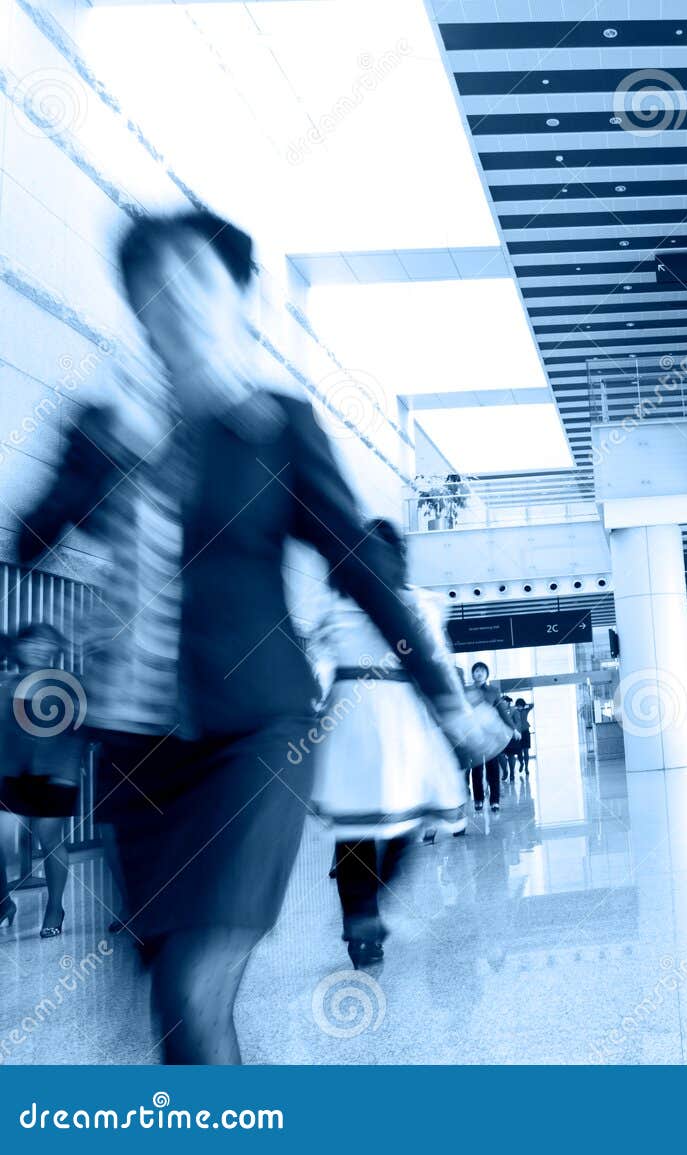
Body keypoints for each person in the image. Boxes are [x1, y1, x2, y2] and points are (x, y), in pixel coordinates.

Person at [9, 209, 488, 1064]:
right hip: (135, 752)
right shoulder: (101, 426)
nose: (179, 299)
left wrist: (448, 702)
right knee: (170, 1000)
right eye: (155, 286)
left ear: (240, 300)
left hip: (254, 734)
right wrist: (102, 464)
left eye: (198, 277)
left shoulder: (276, 427)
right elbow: (31, 540)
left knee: (195, 981)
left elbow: (364, 573)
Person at [308, 520, 468, 969]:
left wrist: (457, 714)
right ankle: (363, 926)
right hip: (357, 722)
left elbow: (436, 662)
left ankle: (366, 912)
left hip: (397, 720)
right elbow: (317, 664)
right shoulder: (336, 606)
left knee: (405, 824)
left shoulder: (417, 604)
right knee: (357, 832)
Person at [0, 625, 86, 938]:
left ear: (56, 649)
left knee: (50, 840)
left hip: (58, 774)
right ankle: (3, 901)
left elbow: (83, 728)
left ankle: (55, 907)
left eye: (46, 643)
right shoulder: (7, 684)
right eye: (30, 642)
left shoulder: (69, 685)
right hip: (14, 774)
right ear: (18, 648)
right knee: (2, 838)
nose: (37, 649)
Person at [466, 663, 514, 813]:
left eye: (482, 671)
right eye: (476, 671)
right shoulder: (467, 691)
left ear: (487, 674)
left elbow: (502, 711)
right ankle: (478, 799)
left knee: (493, 769)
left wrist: (513, 728)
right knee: (477, 769)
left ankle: (495, 801)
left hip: (491, 736)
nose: (479, 673)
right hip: (473, 736)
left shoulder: (493, 691)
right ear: (473, 674)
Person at [512, 698, 531, 777]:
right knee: (519, 751)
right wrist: (516, 708)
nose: (519, 706)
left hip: (526, 732)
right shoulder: (514, 711)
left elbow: (531, 705)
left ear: (522, 705)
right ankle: (521, 763)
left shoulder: (525, 710)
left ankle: (526, 767)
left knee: (526, 751)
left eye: (520, 705)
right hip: (518, 733)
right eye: (518, 705)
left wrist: (524, 707)